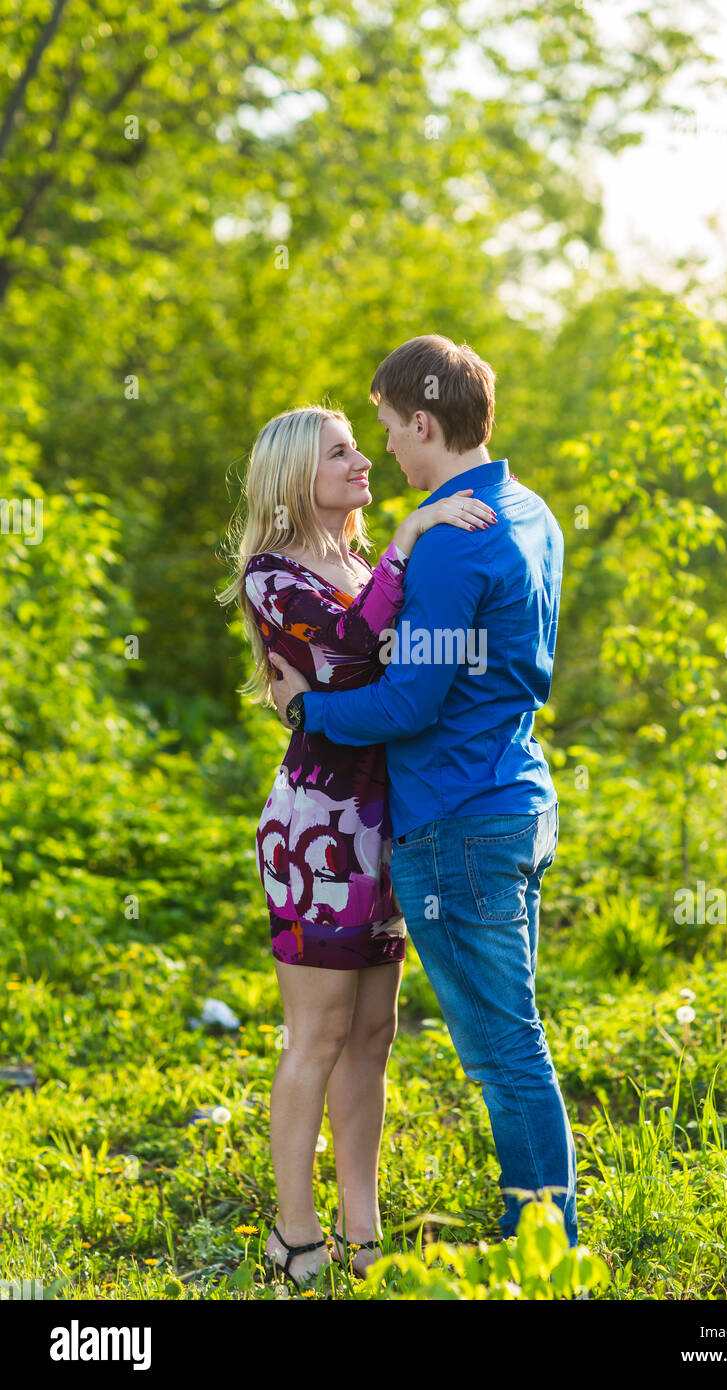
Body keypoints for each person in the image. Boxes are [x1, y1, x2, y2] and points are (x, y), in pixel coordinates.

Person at [268, 335, 578, 1251]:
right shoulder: (530, 511)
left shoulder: (450, 543)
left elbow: (409, 701)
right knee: (508, 1042)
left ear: (425, 420)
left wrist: (309, 711)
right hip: (516, 796)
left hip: (459, 822)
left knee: (503, 1054)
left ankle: (545, 1250)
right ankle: (539, 1236)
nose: (385, 454)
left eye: (390, 433)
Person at [218, 404, 496, 1290]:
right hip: (319, 831)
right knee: (318, 1032)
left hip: (392, 819)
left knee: (374, 1033)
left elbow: (400, 660)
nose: (364, 460)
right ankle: (294, 1237)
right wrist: (415, 530)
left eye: (358, 445)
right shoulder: (272, 574)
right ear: (300, 473)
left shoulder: (363, 562)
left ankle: (362, 1231)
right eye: (342, 451)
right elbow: (343, 647)